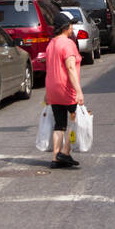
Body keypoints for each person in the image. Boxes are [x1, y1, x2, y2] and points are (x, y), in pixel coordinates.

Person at [44, 9, 85, 169]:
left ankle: (55, 157)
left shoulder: (51, 44)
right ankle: (65, 152)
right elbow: (70, 68)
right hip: (67, 89)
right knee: (76, 120)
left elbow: (49, 68)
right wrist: (79, 91)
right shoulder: (68, 44)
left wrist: (47, 93)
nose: (72, 28)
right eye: (71, 25)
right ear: (64, 27)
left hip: (53, 89)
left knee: (59, 123)